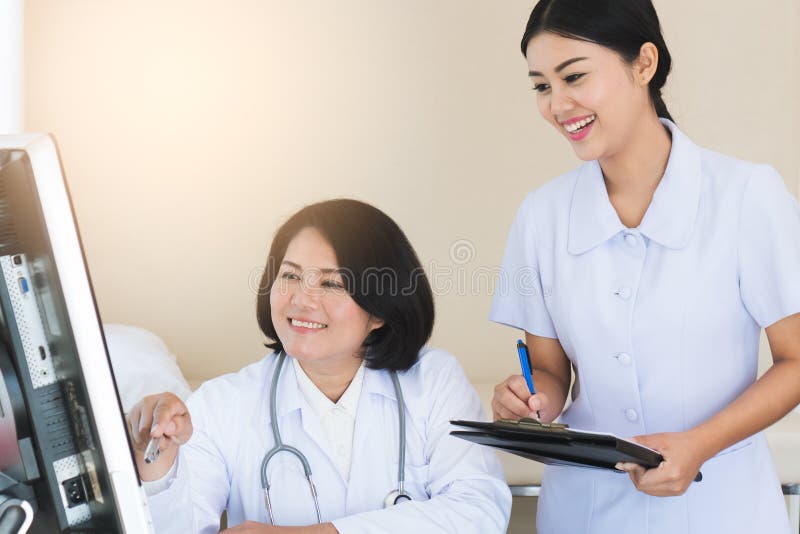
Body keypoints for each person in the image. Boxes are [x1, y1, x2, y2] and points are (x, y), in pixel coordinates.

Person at [489, 1, 800, 533]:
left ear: (644, 64)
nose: (558, 105)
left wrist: (699, 445)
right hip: (586, 512)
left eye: (575, 77)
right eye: (541, 86)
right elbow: (550, 372)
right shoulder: (541, 215)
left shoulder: (747, 196)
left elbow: (795, 361)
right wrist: (527, 401)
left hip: (720, 508)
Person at [127, 199, 511, 534]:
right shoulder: (224, 403)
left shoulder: (434, 381)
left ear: (380, 309)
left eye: (331, 284)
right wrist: (158, 470)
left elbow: (478, 512)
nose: (301, 300)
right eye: (290, 275)